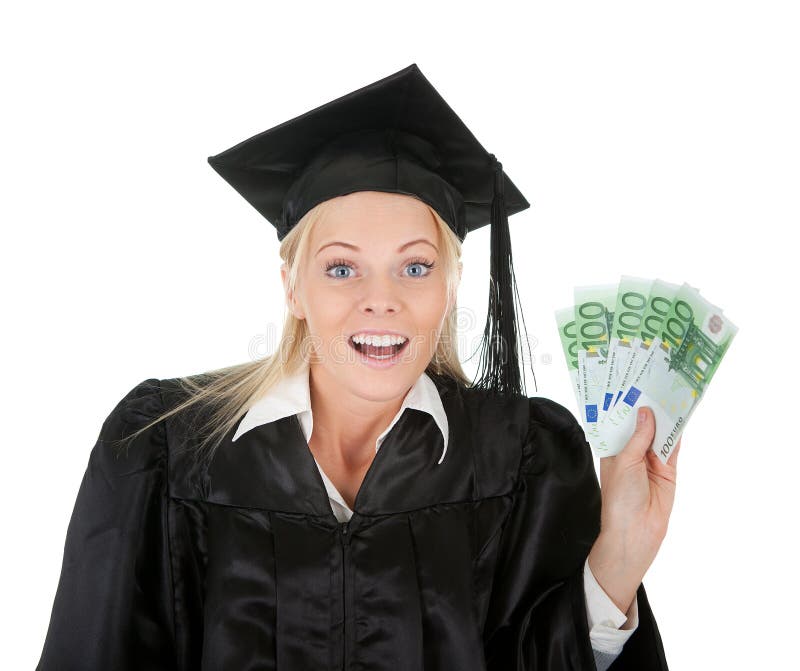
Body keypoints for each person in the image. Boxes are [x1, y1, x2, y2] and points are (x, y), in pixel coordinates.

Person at [36, 63, 679, 670]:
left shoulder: (524, 455)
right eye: (341, 267)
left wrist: (618, 561)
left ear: (450, 286)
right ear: (293, 287)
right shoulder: (167, 446)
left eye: (416, 266)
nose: (382, 298)